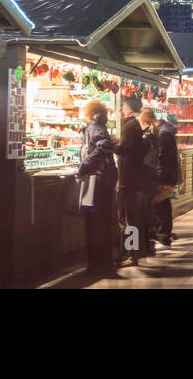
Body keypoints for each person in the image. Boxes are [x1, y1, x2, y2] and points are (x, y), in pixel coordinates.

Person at [77, 99, 118, 275]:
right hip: (104, 182)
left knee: (94, 224)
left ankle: (97, 265)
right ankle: (103, 263)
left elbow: (104, 146)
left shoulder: (94, 127)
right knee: (102, 223)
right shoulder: (99, 126)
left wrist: (85, 163)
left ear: (89, 112)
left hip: (97, 183)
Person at [115, 95, 155, 264]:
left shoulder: (130, 126)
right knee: (131, 217)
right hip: (131, 178)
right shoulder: (133, 126)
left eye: (123, 107)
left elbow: (126, 150)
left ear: (129, 109)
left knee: (129, 218)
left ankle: (132, 253)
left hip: (128, 179)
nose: (122, 109)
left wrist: (110, 144)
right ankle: (134, 251)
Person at [148, 111, 180, 247]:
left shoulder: (162, 136)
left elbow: (162, 160)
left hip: (164, 177)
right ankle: (163, 235)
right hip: (169, 175)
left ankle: (163, 237)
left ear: (151, 122)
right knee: (163, 205)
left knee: (161, 207)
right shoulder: (166, 133)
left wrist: (158, 179)